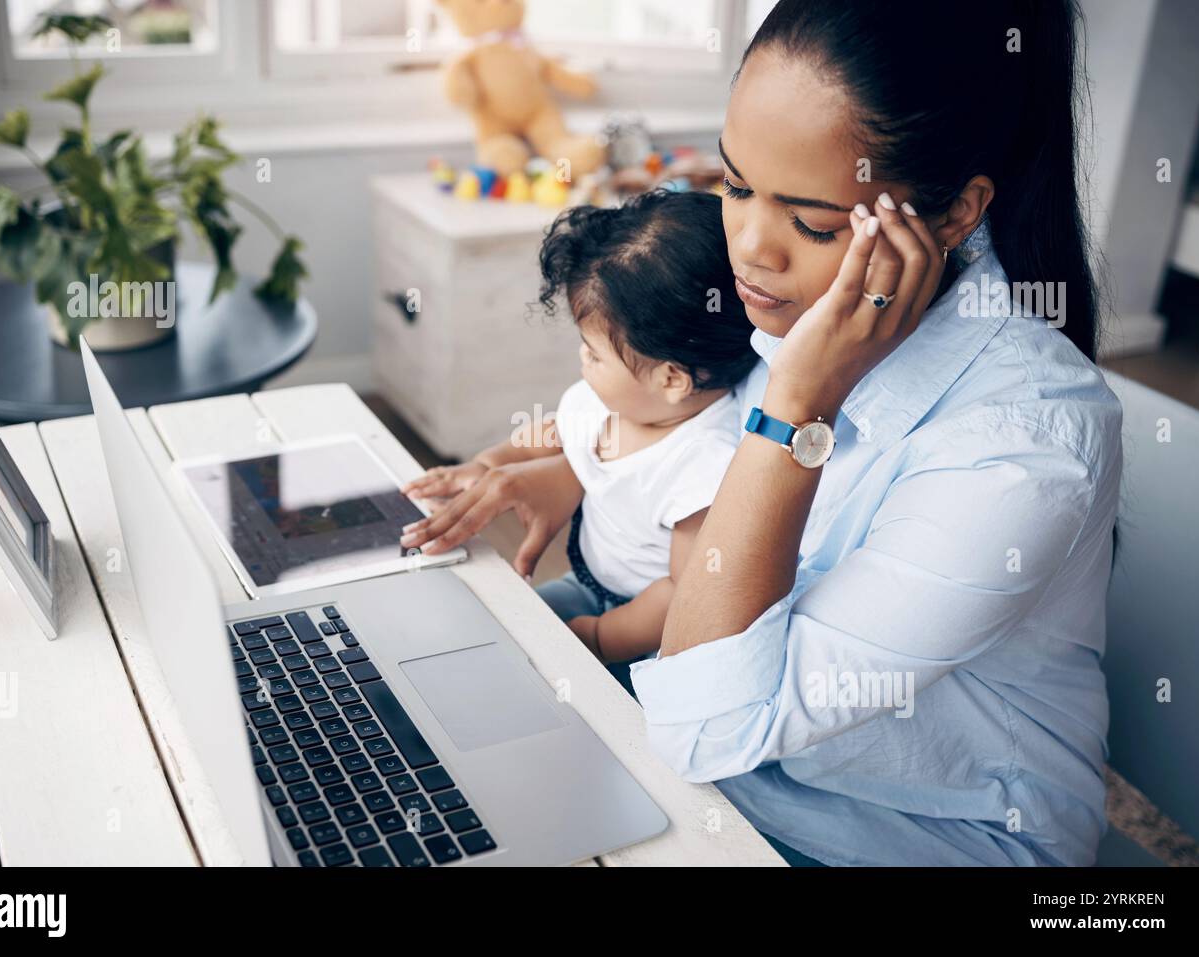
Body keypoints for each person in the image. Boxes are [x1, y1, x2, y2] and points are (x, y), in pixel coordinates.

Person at [399, 0, 1121, 866]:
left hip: (909, 828)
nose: (746, 247)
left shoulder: (1026, 443)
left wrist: (800, 406)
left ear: (958, 215)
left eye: (812, 222)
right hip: (717, 721)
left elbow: (707, 724)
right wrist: (564, 468)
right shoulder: (791, 287)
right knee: (424, 664)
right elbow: (682, 422)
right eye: (736, 185)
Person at [402, 191, 757, 675]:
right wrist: (487, 464)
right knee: (485, 632)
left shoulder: (705, 466)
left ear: (671, 379)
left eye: (593, 353)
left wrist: (599, 637)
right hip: (586, 582)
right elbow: (550, 434)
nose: (581, 360)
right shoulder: (614, 400)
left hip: (640, 632)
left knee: (552, 684)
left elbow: (682, 591)